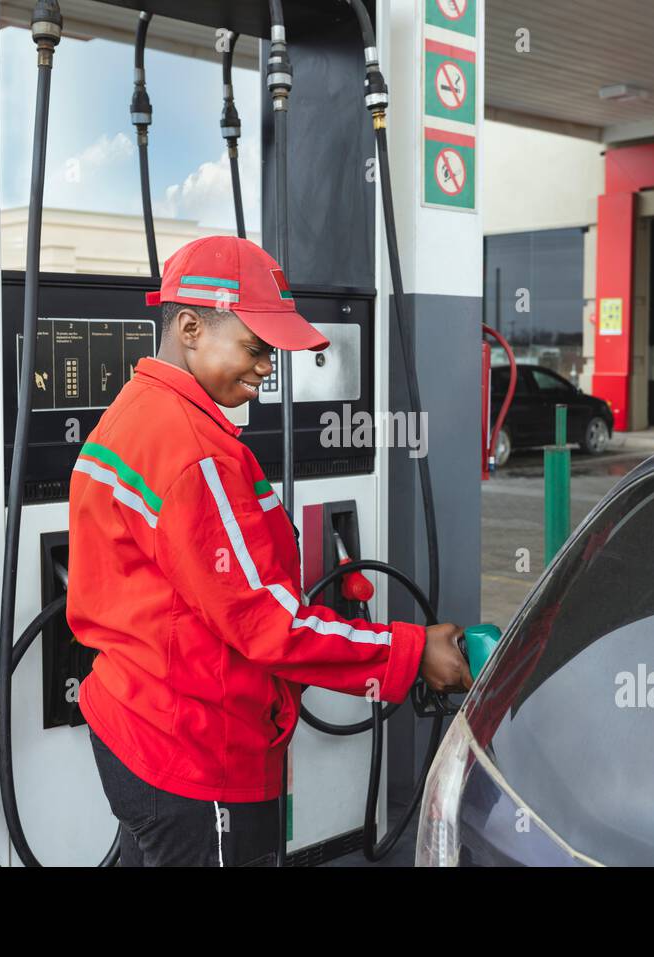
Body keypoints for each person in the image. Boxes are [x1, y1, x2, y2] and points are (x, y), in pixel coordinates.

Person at [66, 235, 472, 867]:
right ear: (192, 327)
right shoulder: (195, 452)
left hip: (136, 724)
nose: (265, 369)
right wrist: (412, 653)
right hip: (197, 755)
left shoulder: (137, 414)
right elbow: (267, 622)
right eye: (255, 348)